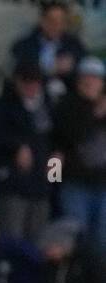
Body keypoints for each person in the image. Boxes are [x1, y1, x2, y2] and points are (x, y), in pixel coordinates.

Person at [0, 60, 54, 242]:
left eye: (35, 81)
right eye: (27, 81)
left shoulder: (47, 105)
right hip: (12, 185)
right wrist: (17, 146)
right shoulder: (3, 105)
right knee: (12, 238)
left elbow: (56, 141)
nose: (31, 86)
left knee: (38, 240)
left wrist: (54, 174)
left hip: (41, 185)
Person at [52, 57, 106, 255]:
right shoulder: (67, 105)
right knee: (76, 238)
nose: (90, 82)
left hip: (102, 184)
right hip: (75, 184)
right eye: (86, 77)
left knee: (102, 241)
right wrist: (95, 113)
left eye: (95, 78)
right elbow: (67, 138)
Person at [11, 0, 85, 99]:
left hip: (69, 98)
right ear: (42, 21)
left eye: (61, 21)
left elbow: (87, 69)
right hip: (33, 98)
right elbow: (19, 71)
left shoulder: (74, 45)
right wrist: (49, 67)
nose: (56, 25)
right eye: (51, 20)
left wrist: (73, 66)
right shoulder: (24, 45)